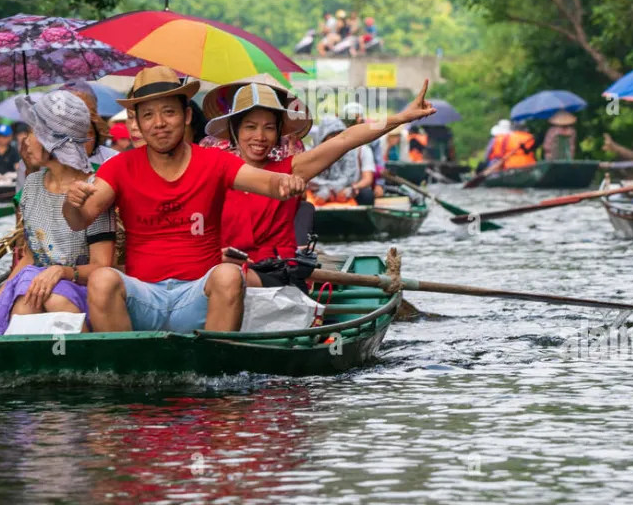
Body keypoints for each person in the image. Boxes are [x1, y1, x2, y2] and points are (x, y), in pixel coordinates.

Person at [61, 66, 308, 333]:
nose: (159, 123)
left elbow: (268, 182)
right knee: (101, 279)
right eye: (148, 115)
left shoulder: (214, 161)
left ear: (187, 115)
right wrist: (71, 203)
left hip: (197, 297)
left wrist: (286, 182)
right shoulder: (120, 167)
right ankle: (127, 370)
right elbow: (79, 220)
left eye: (169, 112)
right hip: (143, 298)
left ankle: (215, 367)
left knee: (228, 274)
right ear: (137, 122)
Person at [204, 78, 434, 272]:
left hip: (276, 274)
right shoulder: (214, 170)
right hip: (224, 272)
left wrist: (403, 117)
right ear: (235, 131)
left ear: (278, 133)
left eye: (269, 127)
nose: (260, 137)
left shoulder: (293, 168)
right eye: (250, 127)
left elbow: (347, 139)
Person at [0, 91, 116, 338]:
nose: (26, 140)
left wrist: (60, 272)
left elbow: (103, 266)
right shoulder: (32, 186)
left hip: (81, 291)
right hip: (36, 287)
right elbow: (29, 258)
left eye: (34, 133)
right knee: (27, 301)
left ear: (54, 144)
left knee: (55, 298)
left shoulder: (93, 190)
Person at [307, 116, 379, 206]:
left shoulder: (352, 151)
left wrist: (338, 190)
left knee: (366, 195)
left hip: (344, 190)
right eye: (333, 135)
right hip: (318, 191)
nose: (337, 138)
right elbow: (311, 178)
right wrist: (326, 190)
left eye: (340, 134)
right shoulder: (312, 153)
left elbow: (350, 176)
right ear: (323, 137)